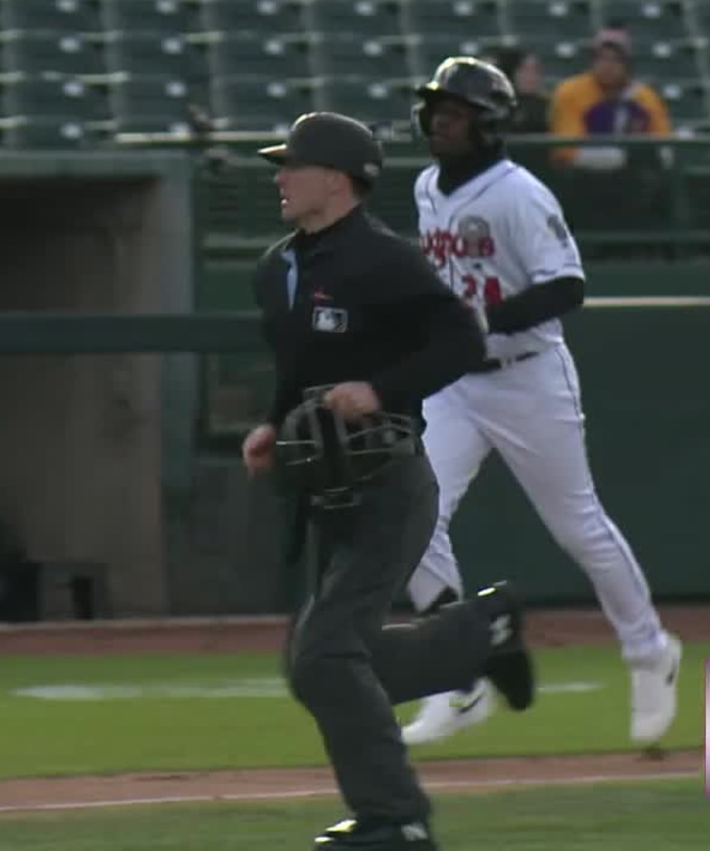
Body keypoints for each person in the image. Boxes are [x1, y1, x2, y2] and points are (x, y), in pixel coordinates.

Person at [244, 110, 537, 850]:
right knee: (320, 663)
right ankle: (479, 635)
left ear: (338, 181)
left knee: (324, 657)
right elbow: (296, 374)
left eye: (293, 165)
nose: (279, 177)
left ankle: (396, 820)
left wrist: (378, 389)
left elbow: (462, 339)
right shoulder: (276, 267)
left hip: (391, 484)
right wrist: (272, 428)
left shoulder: (385, 260)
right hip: (325, 494)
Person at [398, 57, 682, 749]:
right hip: (460, 381)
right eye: (436, 108)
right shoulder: (427, 185)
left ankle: (650, 652)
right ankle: (458, 679)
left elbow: (567, 286)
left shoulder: (518, 194)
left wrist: (483, 322)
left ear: (490, 124)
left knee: (578, 527)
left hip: (528, 376)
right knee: (407, 517)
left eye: (457, 112)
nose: (442, 121)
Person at [548, 25, 673, 172]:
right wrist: (620, 157)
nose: (608, 66)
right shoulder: (570, 92)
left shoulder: (644, 96)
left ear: (627, 63)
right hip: (582, 177)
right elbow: (566, 152)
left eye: (616, 59)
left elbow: (664, 146)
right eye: (602, 58)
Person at [487, 46, 550, 135]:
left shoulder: (548, 106)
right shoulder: (498, 105)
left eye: (535, 71)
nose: (530, 77)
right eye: (524, 70)